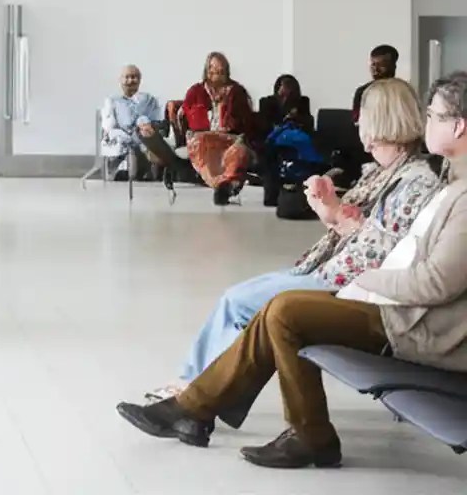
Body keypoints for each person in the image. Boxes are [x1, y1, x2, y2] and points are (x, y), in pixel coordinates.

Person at [116, 70, 467, 469]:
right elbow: (412, 252)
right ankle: (202, 410)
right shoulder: (450, 182)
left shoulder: (452, 192)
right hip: (393, 304)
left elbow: (434, 281)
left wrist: (363, 278)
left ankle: (205, 408)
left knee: (281, 310)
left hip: (410, 321)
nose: (425, 124)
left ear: (458, 126)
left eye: (434, 116)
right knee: (279, 309)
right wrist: (340, 220)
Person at [141, 78, 441, 402]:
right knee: (237, 298)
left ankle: (194, 393)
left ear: (379, 120)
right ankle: (199, 390)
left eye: (363, 117)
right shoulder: (381, 171)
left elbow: (389, 251)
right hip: (327, 270)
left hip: (349, 284)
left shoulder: (416, 180)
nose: (358, 124)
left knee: (238, 304)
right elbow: (354, 226)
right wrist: (330, 210)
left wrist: (341, 217)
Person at [140, 52, 256, 205]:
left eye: (221, 69)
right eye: (213, 68)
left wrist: (231, 123)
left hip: (230, 138)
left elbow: (247, 120)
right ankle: (221, 185)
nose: (217, 72)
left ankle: (226, 185)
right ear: (207, 70)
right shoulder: (196, 91)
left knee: (240, 151)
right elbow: (183, 117)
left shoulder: (237, 91)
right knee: (200, 144)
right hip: (203, 138)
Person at [256, 74, 321, 206]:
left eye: (289, 90)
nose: (285, 93)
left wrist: (295, 117)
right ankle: (272, 193)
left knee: (305, 145)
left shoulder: (301, 102)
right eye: (282, 89)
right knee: (269, 154)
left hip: (295, 135)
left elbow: (308, 122)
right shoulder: (267, 102)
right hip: (275, 137)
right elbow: (263, 124)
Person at [100, 65, 166, 181]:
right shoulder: (113, 101)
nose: (130, 80)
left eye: (134, 77)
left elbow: (156, 121)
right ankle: (125, 171)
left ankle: (151, 170)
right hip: (124, 138)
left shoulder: (148, 99)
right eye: (127, 77)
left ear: (140, 80)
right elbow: (109, 126)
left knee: (146, 127)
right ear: (120, 80)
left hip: (145, 138)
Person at [352, 45, 399, 123]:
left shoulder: (403, 93)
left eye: (381, 65)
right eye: (373, 64)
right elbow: (357, 121)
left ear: (393, 66)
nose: (376, 69)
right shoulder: (362, 92)